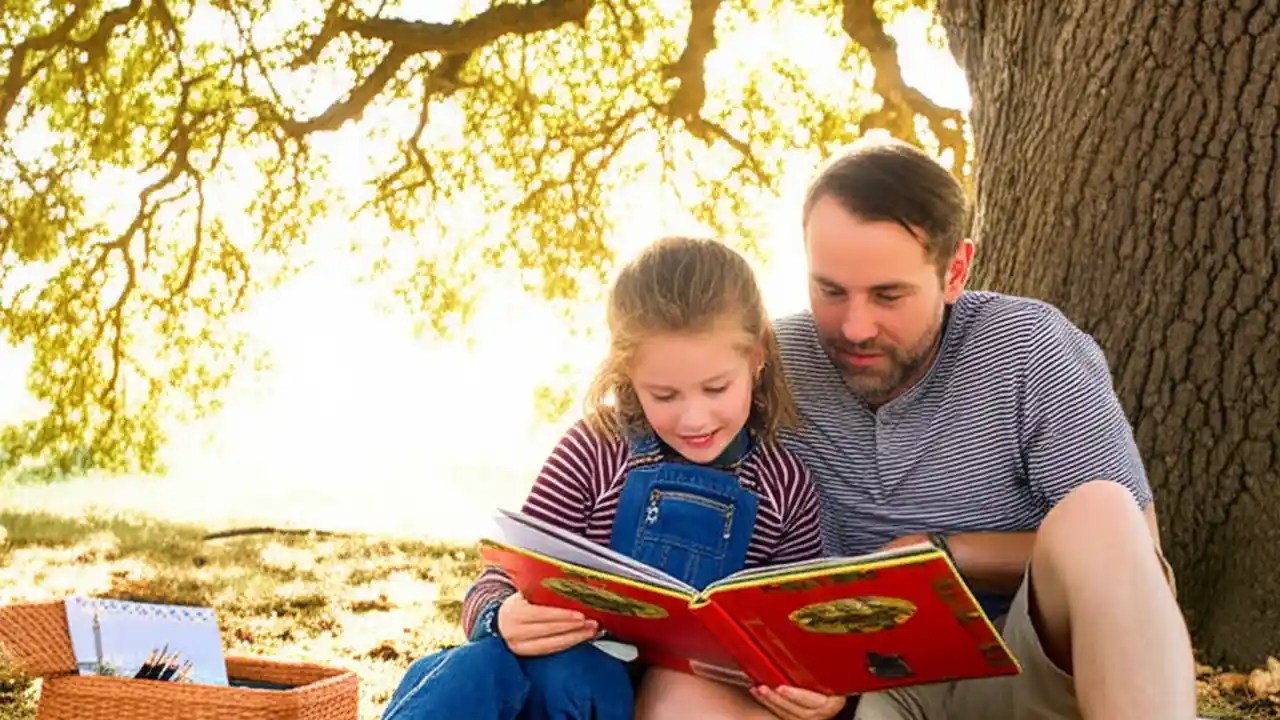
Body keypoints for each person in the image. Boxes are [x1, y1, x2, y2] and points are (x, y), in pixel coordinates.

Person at [768, 137, 1196, 718]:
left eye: (888, 295)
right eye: (830, 291)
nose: (855, 327)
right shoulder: (774, 361)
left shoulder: (1028, 346)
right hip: (863, 684)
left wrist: (941, 553)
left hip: (1022, 670)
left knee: (1102, 510)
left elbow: (1133, 550)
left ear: (955, 271)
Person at [381, 236, 845, 720]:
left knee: (588, 684)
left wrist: (816, 686)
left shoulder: (784, 485)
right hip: (562, 682)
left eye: (716, 388)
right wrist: (501, 616)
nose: (694, 418)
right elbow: (500, 576)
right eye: (664, 395)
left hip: (681, 701)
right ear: (628, 373)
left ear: (757, 355)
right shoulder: (597, 449)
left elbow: (802, 630)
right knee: (474, 670)